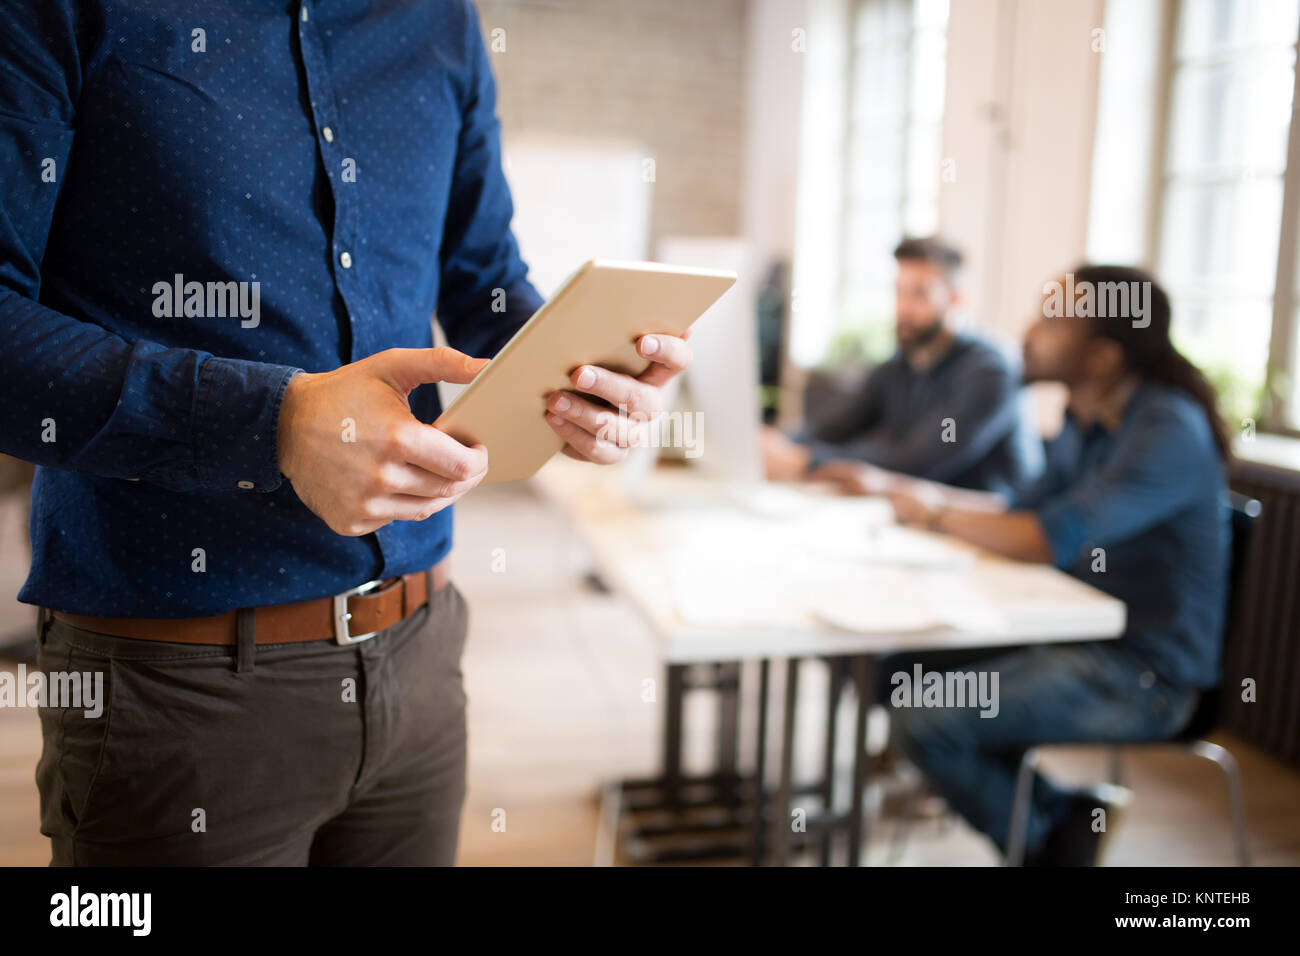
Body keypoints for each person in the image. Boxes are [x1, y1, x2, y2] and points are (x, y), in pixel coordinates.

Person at [0, 0, 691, 865]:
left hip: (423, 655)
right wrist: (275, 421)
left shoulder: (440, 20)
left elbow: (485, 279)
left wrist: (581, 373)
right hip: (176, 688)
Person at [885, 265, 1231, 866]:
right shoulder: (1083, 415)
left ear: (1101, 357)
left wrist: (938, 514)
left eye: (1053, 321)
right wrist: (917, 500)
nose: (1029, 332)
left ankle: (1049, 849)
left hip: (1144, 675)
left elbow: (1047, 537)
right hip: (1072, 635)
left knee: (926, 721)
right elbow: (1017, 512)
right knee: (898, 669)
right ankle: (1063, 815)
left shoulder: (1167, 429)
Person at [763, 236, 1041, 498]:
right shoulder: (901, 364)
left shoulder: (991, 372)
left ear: (955, 298)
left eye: (919, 294)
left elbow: (920, 461)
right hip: (920, 519)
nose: (903, 308)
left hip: (987, 530)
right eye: (899, 292)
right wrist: (781, 442)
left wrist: (807, 459)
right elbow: (837, 425)